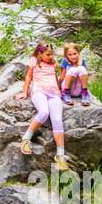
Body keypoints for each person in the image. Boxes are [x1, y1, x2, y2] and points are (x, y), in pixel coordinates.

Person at [16, 41, 68, 171]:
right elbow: (28, 76)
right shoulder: (34, 61)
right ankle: (26, 139)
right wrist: (24, 92)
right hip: (39, 92)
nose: (51, 56)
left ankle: (60, 156)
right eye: (48, 54)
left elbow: (56, 78)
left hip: (54, 94)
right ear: (40, 54)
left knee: (57, 120)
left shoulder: (53, 63)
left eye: (52, 54)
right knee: (44, 112)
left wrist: (62, 89)